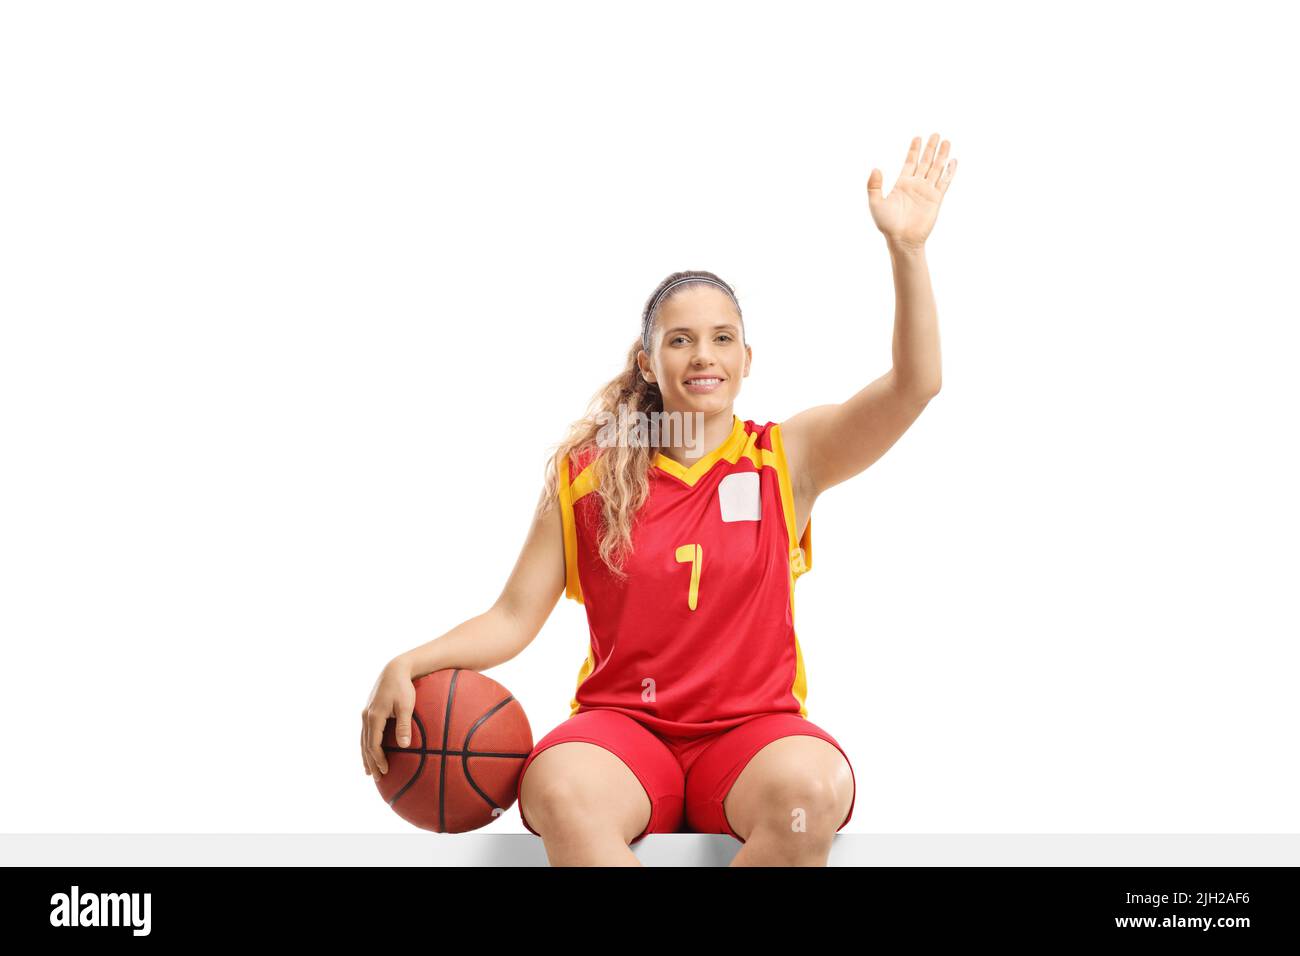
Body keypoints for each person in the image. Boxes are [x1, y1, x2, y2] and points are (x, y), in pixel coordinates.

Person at [362, 132, 957, 866]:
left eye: (721, 338)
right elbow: (514, 616)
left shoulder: (788, 459)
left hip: (751, 734)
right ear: (648, 360)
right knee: (559, 790)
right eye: (680, 340)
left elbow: (915, 386)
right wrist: (410, 661)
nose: (703, 355)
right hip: (623, 733)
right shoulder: (587, 474)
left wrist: (907, 249)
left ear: (746, 358)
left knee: (812, 793)